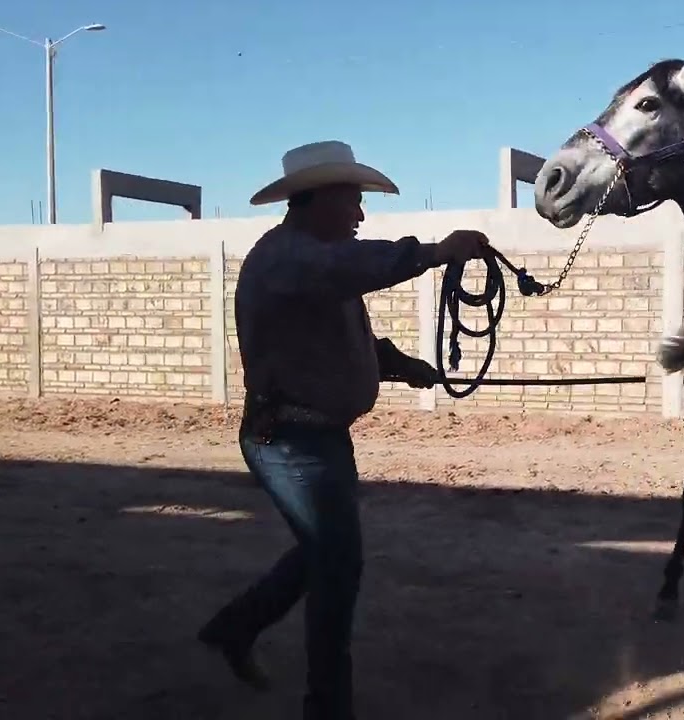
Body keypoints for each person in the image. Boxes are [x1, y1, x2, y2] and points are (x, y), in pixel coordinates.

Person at [196, 140, 490, 720]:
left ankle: (235, 629)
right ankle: (326, 708)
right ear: (316, 201)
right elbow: (350, 268)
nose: (360, 216)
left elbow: (332, 337)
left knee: (325, 554)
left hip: (316, 439)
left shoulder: (309, 262)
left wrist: (397, 364)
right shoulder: (291, 258)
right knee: (338, 565)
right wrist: (434, 252)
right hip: (290, 442)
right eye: (351, 202)